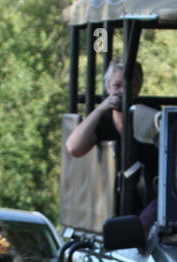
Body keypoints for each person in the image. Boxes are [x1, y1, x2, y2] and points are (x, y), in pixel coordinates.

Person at [67, 59, 159, 224]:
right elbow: (74, 148)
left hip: (149, 199)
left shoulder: (150, 115)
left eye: (128, 85)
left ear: (138, 88)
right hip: (111, 206)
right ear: (108, 87)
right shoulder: (103, 121)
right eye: (117, 85)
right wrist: (101, 108)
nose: (122, 91)